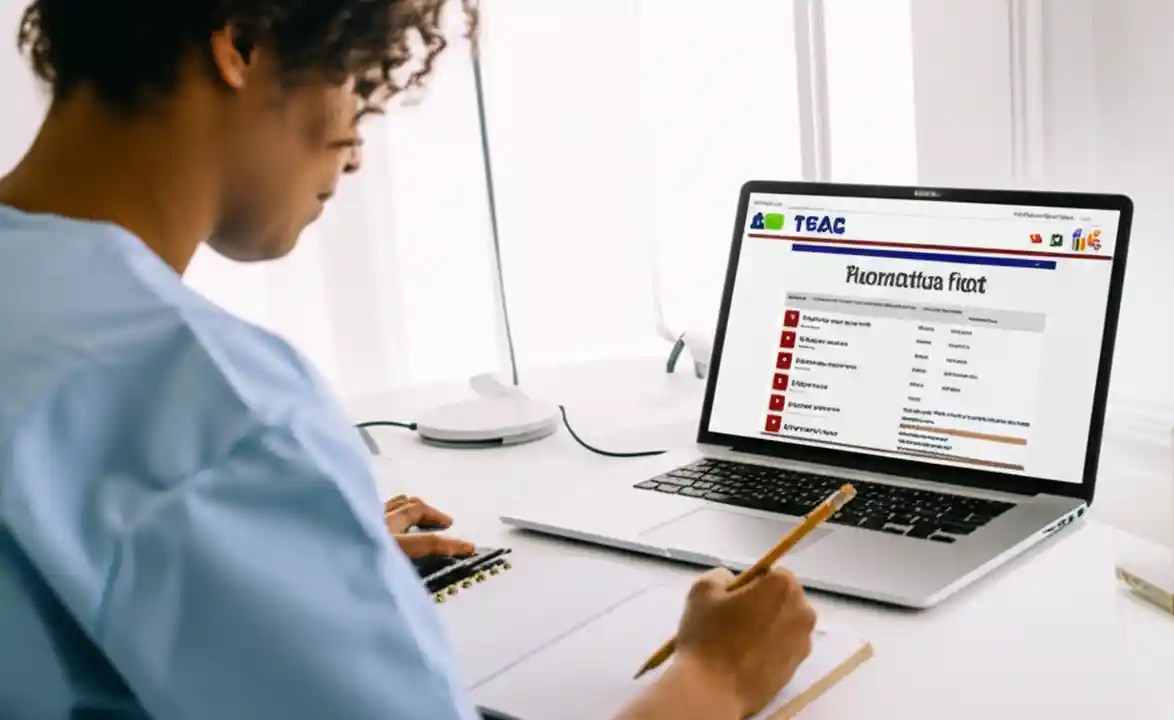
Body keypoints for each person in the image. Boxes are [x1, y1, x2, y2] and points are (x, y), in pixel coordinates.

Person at [0, 2, 816, 718]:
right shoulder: (208, 407)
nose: (355, 151)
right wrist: (712, 681)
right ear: (242, 44)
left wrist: (286, 570)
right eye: (354, 69)